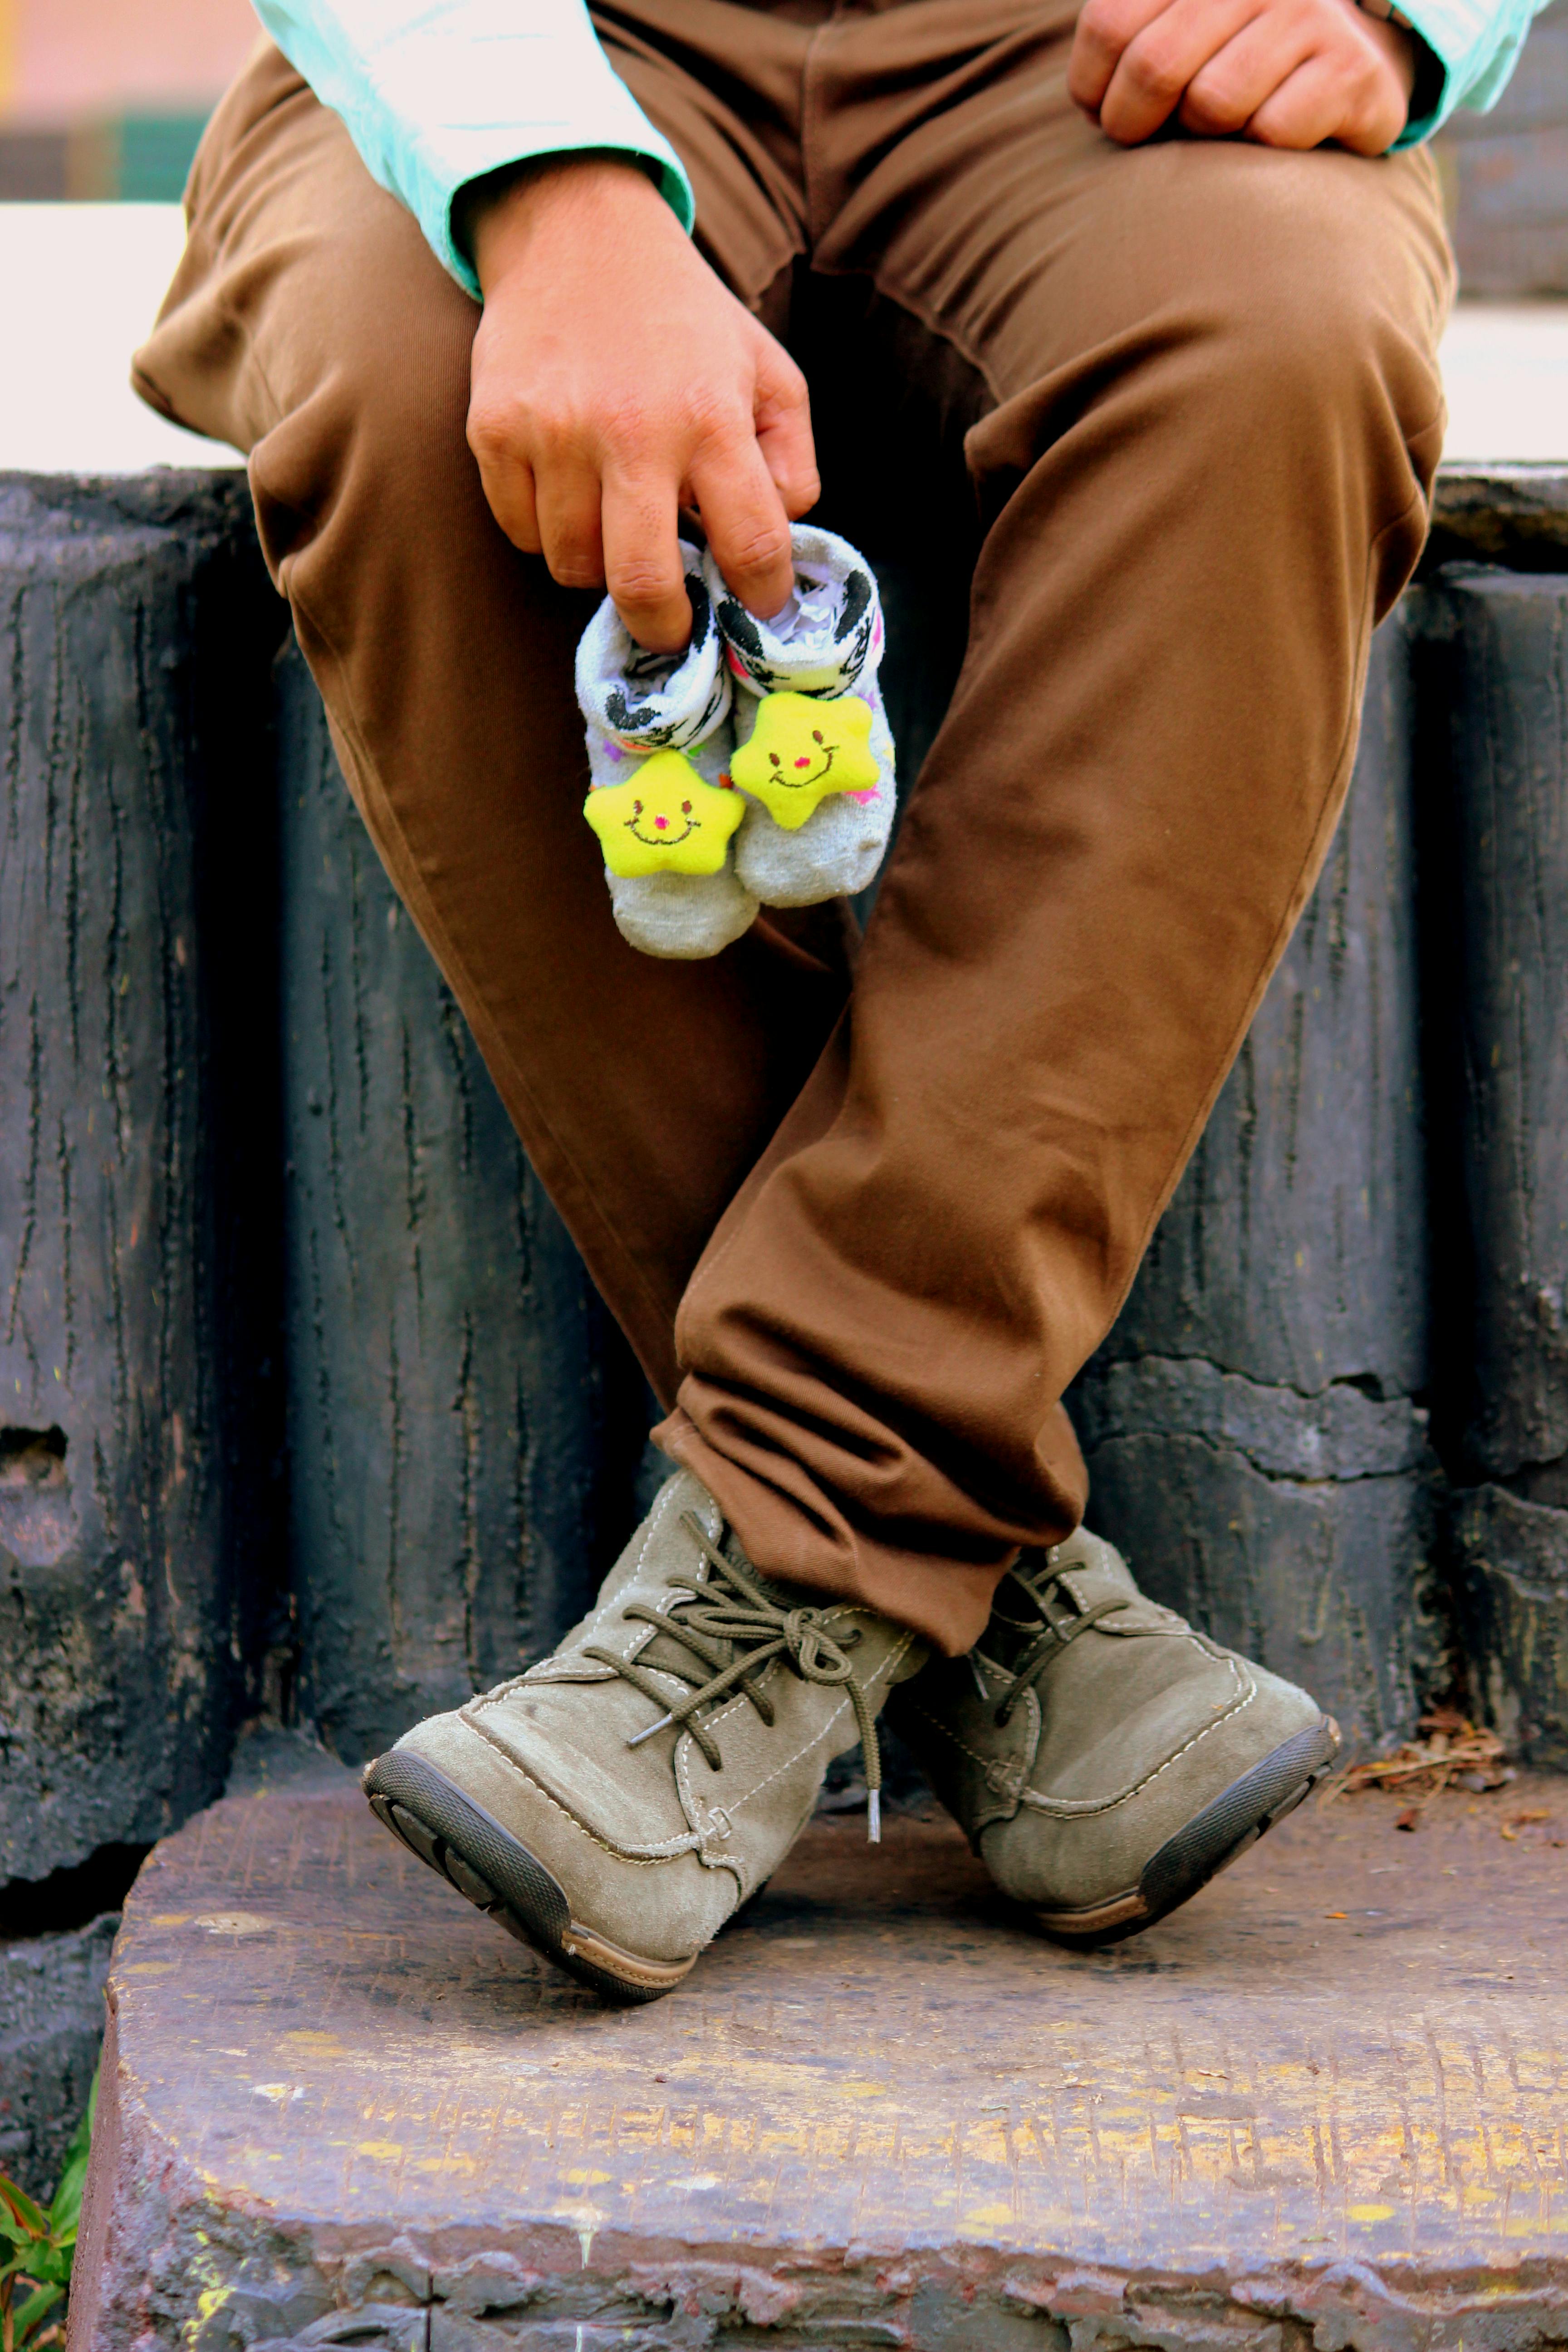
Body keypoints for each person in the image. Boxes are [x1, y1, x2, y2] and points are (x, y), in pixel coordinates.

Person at [133, 0, 1542, 2004]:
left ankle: (787, 1539)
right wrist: (543, 178)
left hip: (1106, 44)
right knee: (401, 371)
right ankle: (971, 1569)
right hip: (530, 34)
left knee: (1284, 337)